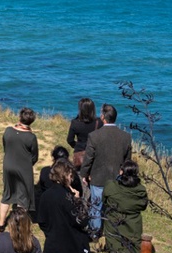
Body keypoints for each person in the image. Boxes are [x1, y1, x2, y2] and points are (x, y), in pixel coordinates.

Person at [36, 160, 91, 253]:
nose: (72, 177)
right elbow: (82, 220)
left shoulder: (46, 195)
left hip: (53, 247)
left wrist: (51, 234)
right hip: (71, 248)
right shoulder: (69, 197)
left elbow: (42, 221)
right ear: (66, 175)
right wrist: (79, 201)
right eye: (70, 174)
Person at [79, 104, 133, 237]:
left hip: (98, 177)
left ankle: (95, 233)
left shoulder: (94, 136)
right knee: (114, 207)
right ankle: (113, 232)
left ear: (103, 117)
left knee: (96, 207)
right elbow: (127, 160)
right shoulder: (126, 137)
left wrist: (84, 174)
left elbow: (88, 158)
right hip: (116, 179)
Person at [101, 160, 148, 253]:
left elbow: (104, 200)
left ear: (122, 172)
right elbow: (144, 206)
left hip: (114, 223)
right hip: (132, 225)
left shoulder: (111, 186)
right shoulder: (140, 190)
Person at [0, 108, 38, 230]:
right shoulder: (31, 137)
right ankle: (20, 225)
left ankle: (1, 223)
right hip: (23, 168)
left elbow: (5, 146)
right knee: (23, 196)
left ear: (19, 117)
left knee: (7, 194)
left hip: (8, 165)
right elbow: (34, 156)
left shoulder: (8, 131)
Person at [35, 146, 83, 218]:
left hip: (49, 205)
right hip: (66, 207)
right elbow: (79, 190)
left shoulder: (45, 171)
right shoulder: (71, 175)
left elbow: (42, 189)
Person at [65, 98, 101, 169]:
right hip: (94, 152)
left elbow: (70, 140)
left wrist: (77, 145)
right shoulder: (99, 122)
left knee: (79, 174)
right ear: (93, 109)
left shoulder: (75, 123)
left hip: (79, 153)